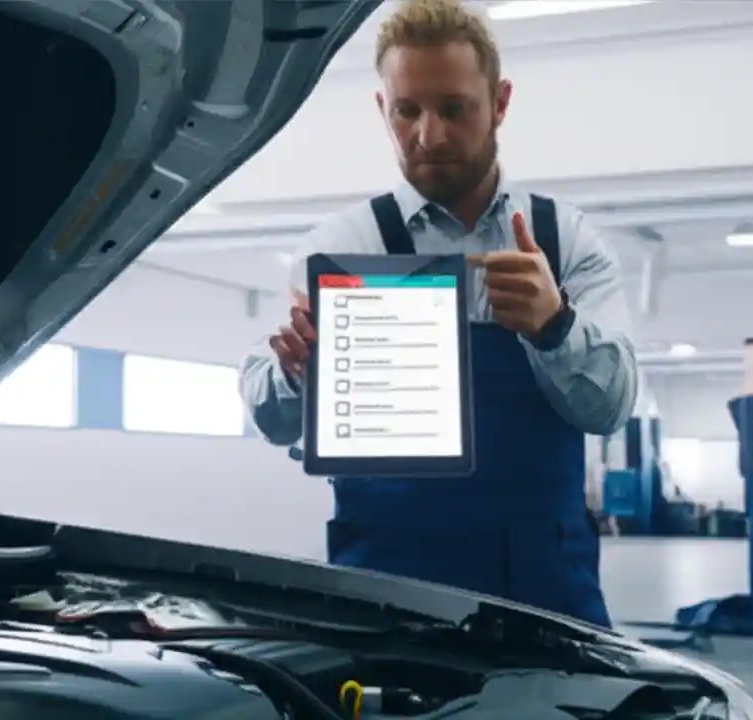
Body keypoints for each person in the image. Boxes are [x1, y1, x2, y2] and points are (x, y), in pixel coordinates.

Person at [239, 0, 637, 628]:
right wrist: (294, 372)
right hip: (386, 584)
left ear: (499, 103)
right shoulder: (340, 249)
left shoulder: (566, 244)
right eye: (407, 111)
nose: (430, 135)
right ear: (382, 110)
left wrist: (555, 326)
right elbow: (272, 420)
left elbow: (612, 406)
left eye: (454, 108)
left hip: (544, 584)